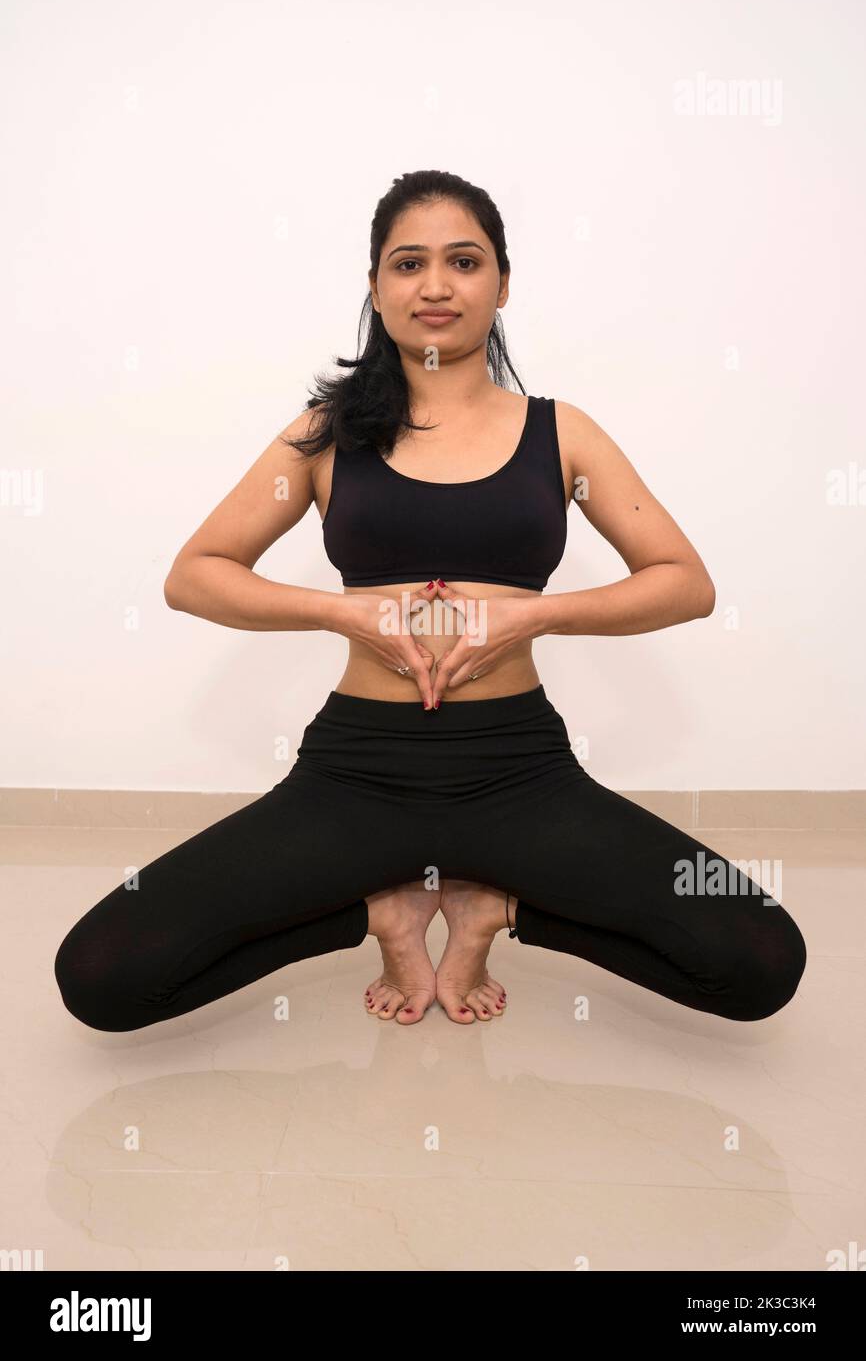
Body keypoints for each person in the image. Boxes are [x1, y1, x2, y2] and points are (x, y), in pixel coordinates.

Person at [53, 169, 807, 1032]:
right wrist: (345, 610)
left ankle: (496, 911)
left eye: (465, 260)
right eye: (408, 263)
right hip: (356, 772)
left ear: (503, 283)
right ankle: (379, 912)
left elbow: (685, 583)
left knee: (761, 959)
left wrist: (536, 613)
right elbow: (195, 573)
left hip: (519, 770)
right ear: (376, 288)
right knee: (102, 975)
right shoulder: (323, 432)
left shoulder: (563, 433)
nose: (437, 285)